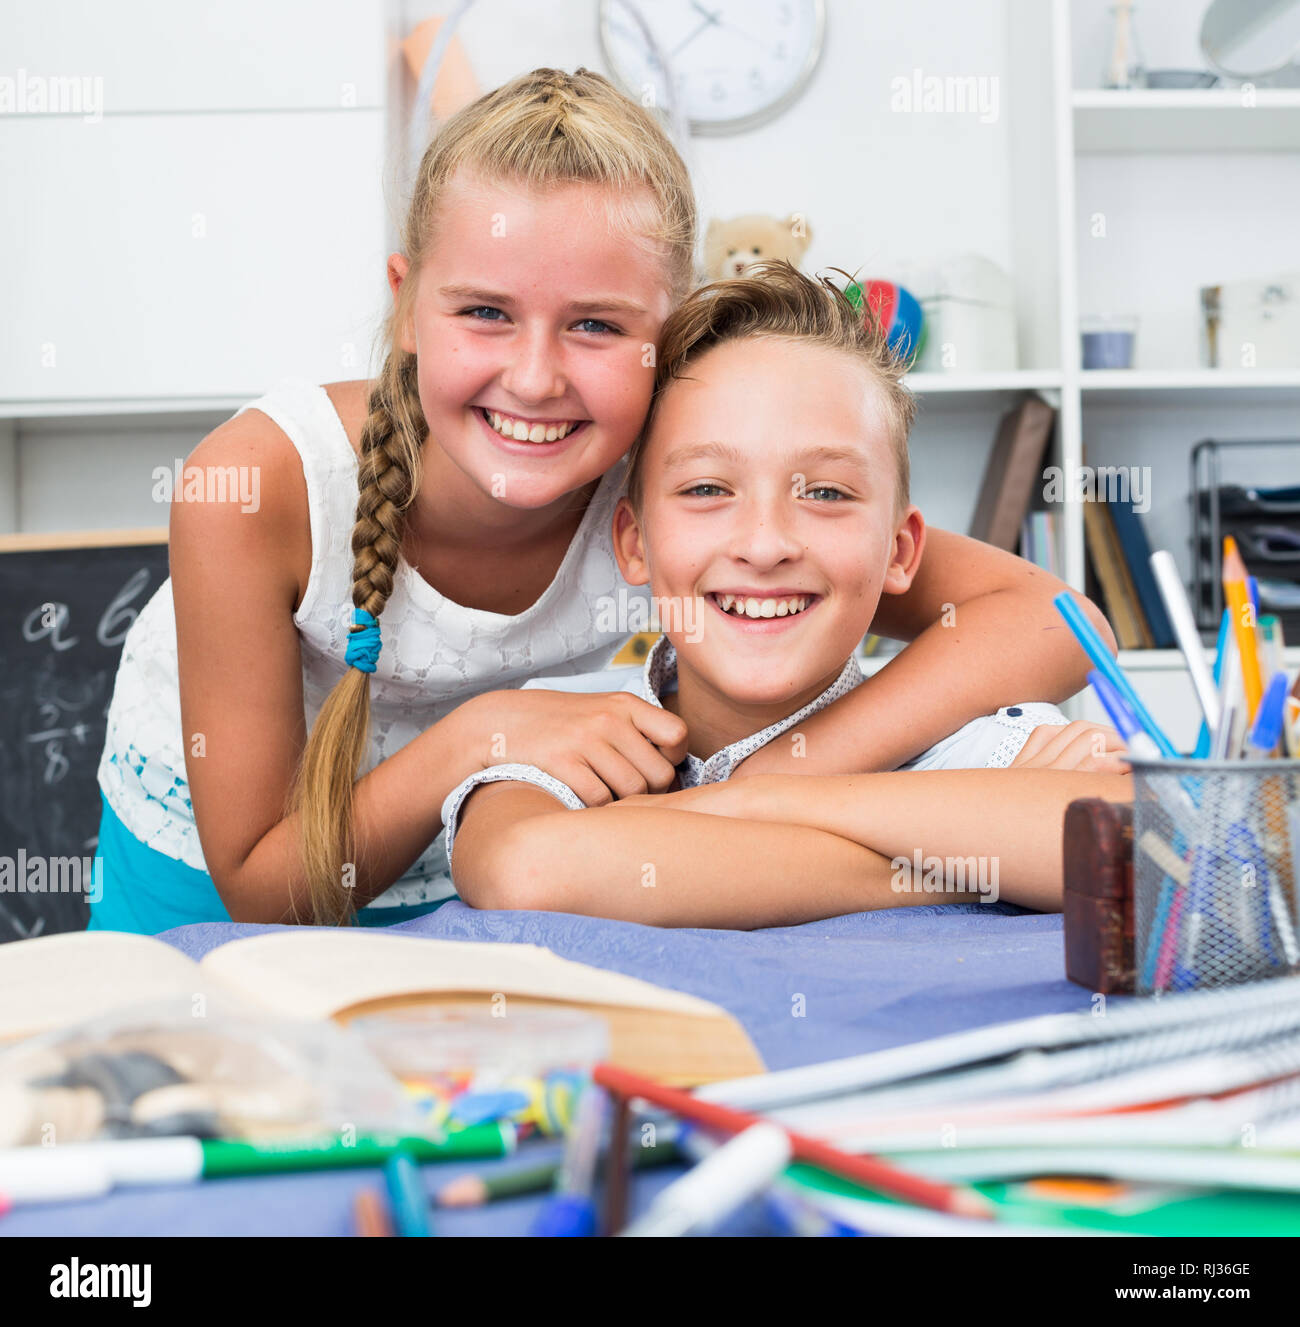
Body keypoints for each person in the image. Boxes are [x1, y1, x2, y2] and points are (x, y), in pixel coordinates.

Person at [92, 68, 1115, 934]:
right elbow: (272, 889)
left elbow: (1053, 621)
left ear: (663, 340)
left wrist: (785, 780)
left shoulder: (690, 481)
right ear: (406, 302)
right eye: (486, 312)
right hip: (239, 867)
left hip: (532, 850)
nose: (536, 380)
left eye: (593, 325)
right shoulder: (257, 489)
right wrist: (478, 734)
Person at [443, 262, 1132, 928]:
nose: (766, 543)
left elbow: (1131, 844)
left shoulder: (966, 738)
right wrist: (965, 863)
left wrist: (770, 796)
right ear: (634, 542)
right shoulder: (569, 727)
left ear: (900, 551)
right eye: (707, 489)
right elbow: (527, 868)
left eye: (826, 492)